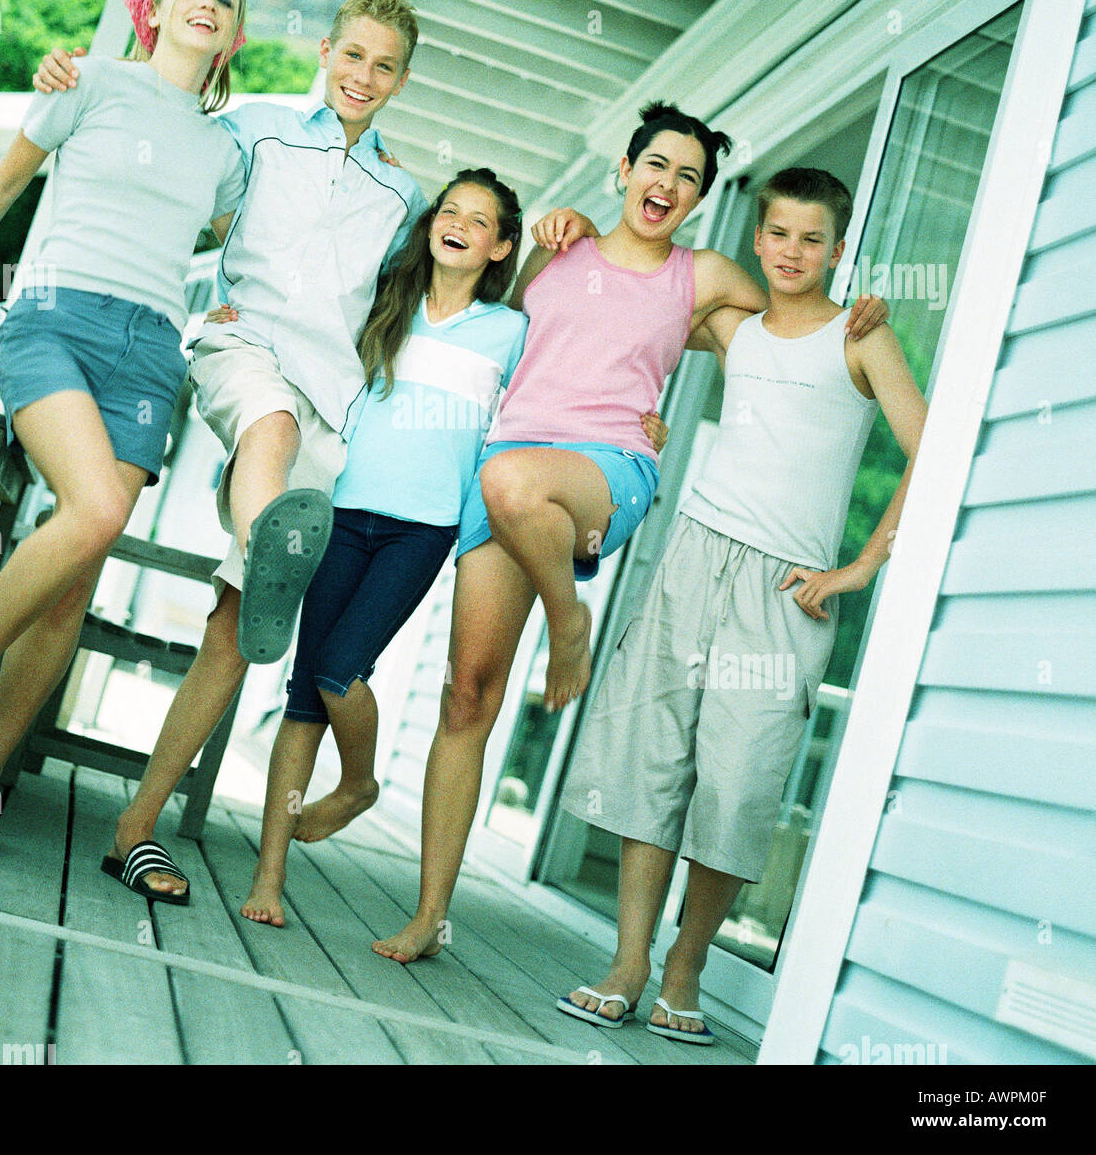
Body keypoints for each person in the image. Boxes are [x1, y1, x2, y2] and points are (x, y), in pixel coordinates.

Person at [370, 106, 889, 964]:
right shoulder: (559, 247)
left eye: (688, 177)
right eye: (656, 165)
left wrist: (858, 318)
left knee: (513, 483)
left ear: (700, 199)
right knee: (467, 691)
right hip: (512, 458)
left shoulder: (708, 273)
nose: (667, 185)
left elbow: (793, 333)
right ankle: (430, 915)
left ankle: (568, 620)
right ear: (624, 168)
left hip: (604, 470)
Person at [31, 0, 429, 901]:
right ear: (326, 51)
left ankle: (137, 827)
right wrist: (76, 73)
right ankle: (268, 542)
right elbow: (168, 143)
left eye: (384, 66)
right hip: (243, 346)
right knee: (268, 429)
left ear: (402, 81)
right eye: (352, 55)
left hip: (331, 394)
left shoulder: (403, 193)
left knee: (231, 628)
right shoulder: (254, 128)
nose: (363, 76)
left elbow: (414, 299)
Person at [0, 0, 250, 866]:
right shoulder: (87, 83)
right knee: (98, 512)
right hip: (53, 320)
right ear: (151, 11)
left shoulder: (229, 148)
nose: (207, 4)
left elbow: (238, 244)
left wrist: (235, 307)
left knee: (78, 566)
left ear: (235, 35)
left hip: (151, 352)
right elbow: (2, 181)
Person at [556, 166, 926, 1043]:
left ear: (839, 250)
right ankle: (630, 960)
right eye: (779, 234)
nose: (793, 250)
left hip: (785, 586)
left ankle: (686, 967)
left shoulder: (862, 339)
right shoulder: (735, 328)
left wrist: (861, 568)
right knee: (651, 757)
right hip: (693, 556)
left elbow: (933, 447)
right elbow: (618, 315)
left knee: (738, 779)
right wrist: (575, 234)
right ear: (758, 242)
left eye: (813, 238)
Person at [237, 169, 526, 926]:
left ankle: (358, 783)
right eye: (450, 211)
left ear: (499, 247)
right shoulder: (383, 308)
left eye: (480, 219)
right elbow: (306, 331)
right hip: (341, 511)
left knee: (337, 674)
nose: (459, 223)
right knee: (304, 696)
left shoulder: (511, 332)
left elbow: (559, 401)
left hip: (421, 529)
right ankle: (269, 878)